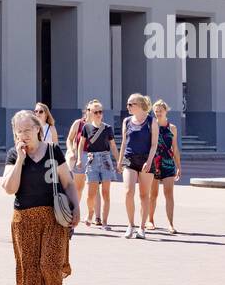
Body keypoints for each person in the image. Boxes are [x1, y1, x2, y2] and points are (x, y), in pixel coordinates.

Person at [2, 110, 79, 285]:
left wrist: (77, 207)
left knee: (50, 264)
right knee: (30, 270)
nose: (23, 135)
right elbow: (9, 189)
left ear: (38, 128)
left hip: (53, 217)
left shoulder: (53, 151)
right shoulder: (13, 155)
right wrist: (20, 160)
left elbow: (68, 183)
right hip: (24, 218)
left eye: (27, 130)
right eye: (19, 131)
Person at [117, 93, 158, 239]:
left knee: (143, 195)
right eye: (127, 104)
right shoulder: (127, 121)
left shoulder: (151, 121)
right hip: (129, 159)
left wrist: (149, 160)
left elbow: (154, 144)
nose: (127, 106)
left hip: (146, 159)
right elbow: (123, 142)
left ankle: (142, 227)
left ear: (139, 105)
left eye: (130, 104)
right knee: (128, 191)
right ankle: (130, 225)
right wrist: (120, 160)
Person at [77, 101, 119, 229]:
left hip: (106, 160)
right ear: (90, 112)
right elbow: (81, 144)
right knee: (91, 194)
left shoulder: (107, 128)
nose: (99, 114)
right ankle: (90, 213)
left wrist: (118, 161)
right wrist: (79, 159)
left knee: (106, 193)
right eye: (96, 112)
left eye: (100, 112)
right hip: (92, 160)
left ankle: (105, 221)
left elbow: (112, 145)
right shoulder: (86, 127)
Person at [146, 100, 181, 234]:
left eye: (160, 110)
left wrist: (179, 166)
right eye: (156, 111)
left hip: (168, 163)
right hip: (154, 163)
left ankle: (171, 224)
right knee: (153, 194)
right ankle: (150, 220)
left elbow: (175, 148)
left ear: (166, 111)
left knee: (169, 194)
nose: (158, 113)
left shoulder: (172, 128)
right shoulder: (151, 126)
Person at [65, 105, 92, 204]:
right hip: (79, 157)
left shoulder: (98, 125)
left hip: (93, 157)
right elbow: (69, 139)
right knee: (77, 188)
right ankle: (74, 210)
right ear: (86, 111)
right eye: (91, 110)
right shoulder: (78, 123)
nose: (94, 112)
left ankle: (91, 214)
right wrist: (71, 150)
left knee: (93, 189)